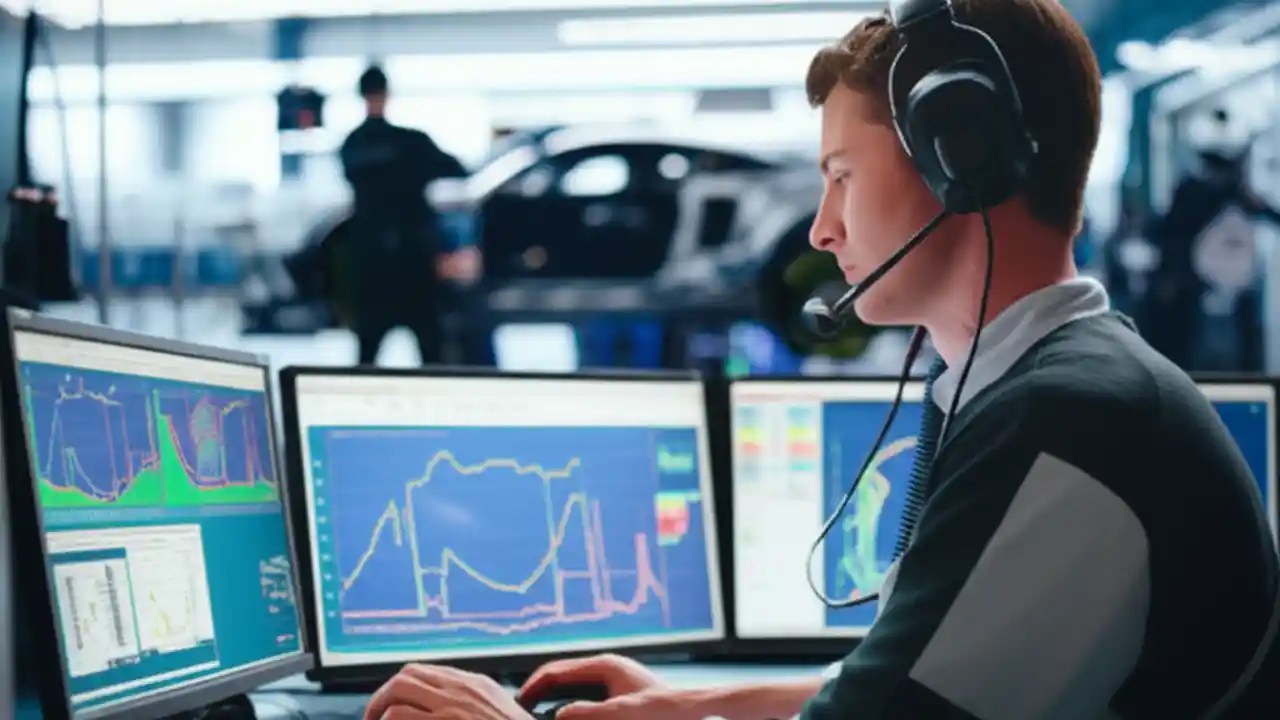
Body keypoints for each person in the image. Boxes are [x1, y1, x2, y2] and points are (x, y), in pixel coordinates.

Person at [363, 1, 1279, 718]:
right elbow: (915, 687)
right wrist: (697, 703)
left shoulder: (1073, 426)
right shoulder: (1041, 385)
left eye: (841, 175)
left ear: (962, 162)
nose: (820, 227)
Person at [340, 65, 468, 366]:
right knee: (428, 346)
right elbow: (455, 169)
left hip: (377, 257)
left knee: (372, 347)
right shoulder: (412, 142)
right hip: (410, 255)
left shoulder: (354, 145)